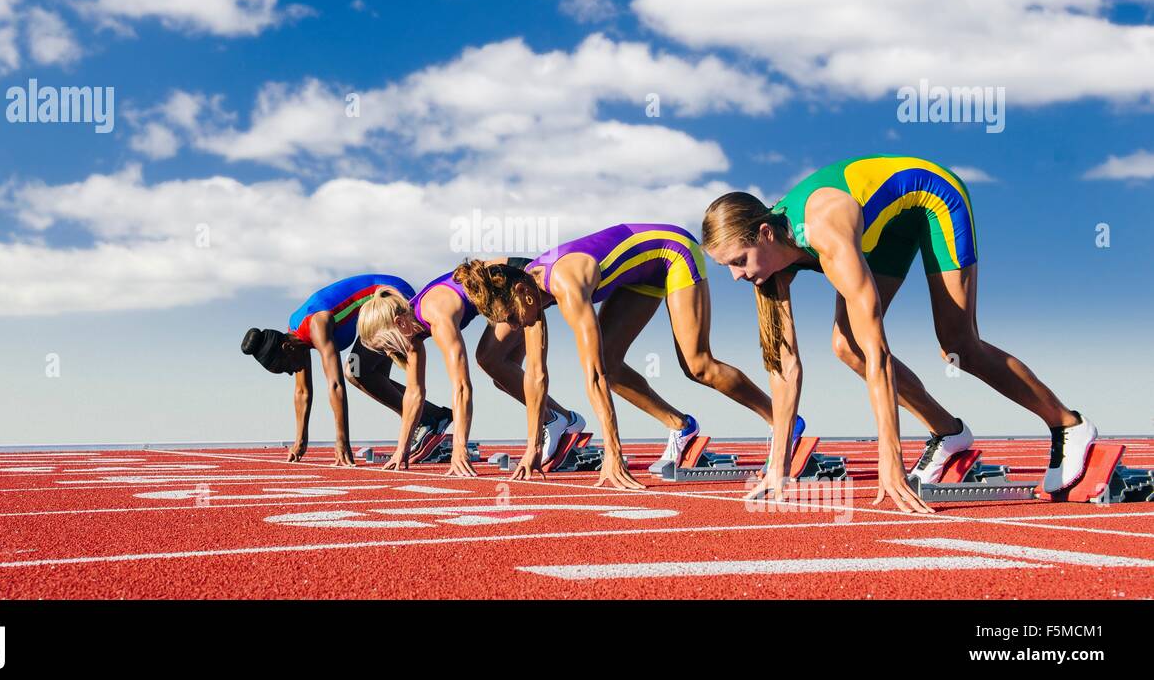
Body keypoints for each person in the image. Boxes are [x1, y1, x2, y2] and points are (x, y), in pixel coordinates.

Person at [700, 154, 1098, 513]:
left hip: (929, 198)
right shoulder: (769, 269)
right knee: (846, 347)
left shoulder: (825, 231)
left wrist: (890, 457)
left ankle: (1068, 424)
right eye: (727, 268)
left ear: (766, 233)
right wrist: (778, 466)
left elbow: (879, 351)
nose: (737, 276)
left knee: (958, 345)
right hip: (883, 227)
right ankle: (949, 432)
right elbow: (784, 366)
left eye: (739, 261)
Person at [456, 224, 790, 490]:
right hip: (639, 274)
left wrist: (613, 454)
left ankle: (782, 420)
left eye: (511, 318)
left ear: (521, 294)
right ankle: (682, 427)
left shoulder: (566, 285)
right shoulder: (530, 293)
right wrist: (531, 447)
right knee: (615, 366)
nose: (513, 327)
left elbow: (594, 374)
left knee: (696, 365)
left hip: (671, 251)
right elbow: (537, 377)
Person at [356, 258, 587, 479]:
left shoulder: (435, 315)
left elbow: (462, 386)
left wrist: (459, 448)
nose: (388, 353)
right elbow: (414, 394)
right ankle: (566, 418)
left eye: (386, 345)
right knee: (501, 371)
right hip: (502, 290)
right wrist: (401, 449)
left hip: (522, 279)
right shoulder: (413, 334)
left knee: (489, 359)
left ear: (398, 324)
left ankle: (554, 420)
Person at [241, 273, 452, 466]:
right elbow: (302, 392)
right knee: (369, 376)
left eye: (284, 368)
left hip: (389, 296)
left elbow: (335, 384)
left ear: (286, 348)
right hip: (374, 308)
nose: (290, 372)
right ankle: (432, 417)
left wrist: (342, 440)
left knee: (355, 372)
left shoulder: (316, 325)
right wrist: (300, 442)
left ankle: (426, 420)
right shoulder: (296, 339)